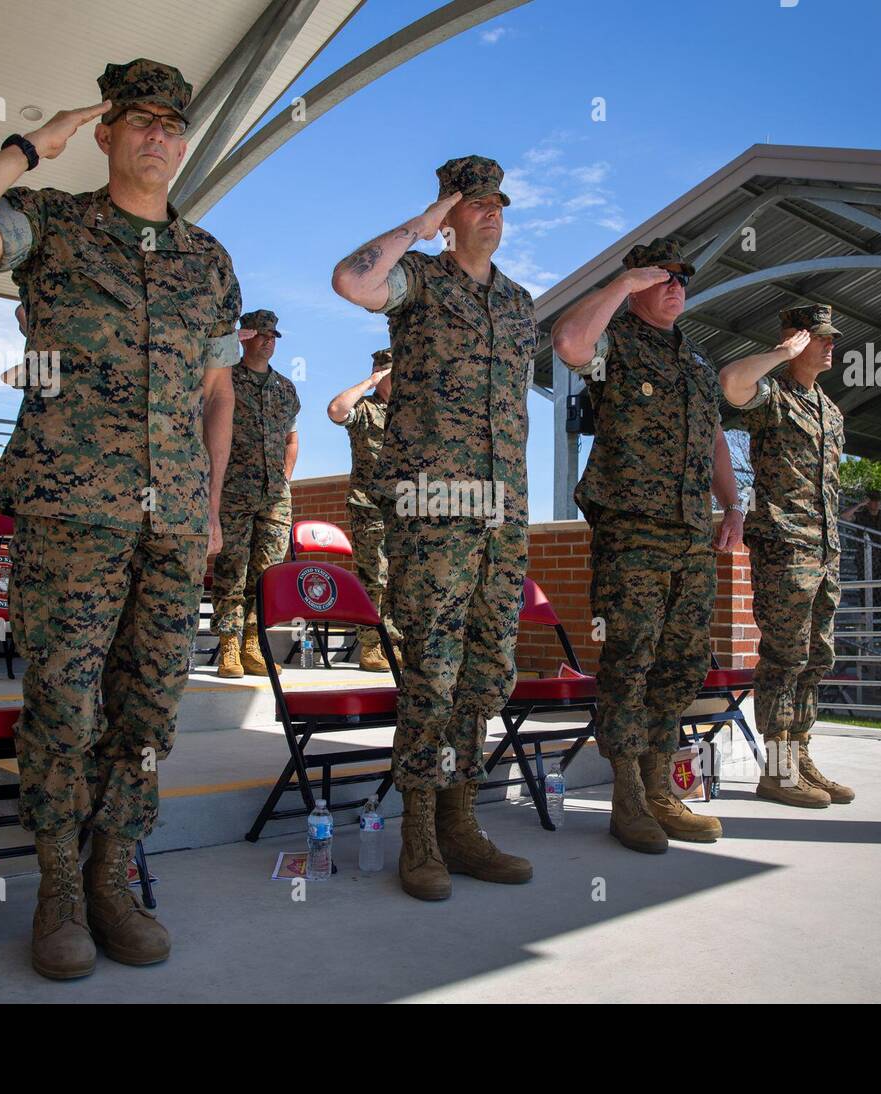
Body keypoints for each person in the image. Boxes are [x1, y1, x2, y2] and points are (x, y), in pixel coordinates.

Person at [0, 58, 238, 979]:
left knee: (147, 713)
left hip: (173, 518)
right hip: (69, 511)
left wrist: (210, 506)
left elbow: (217, 394)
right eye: (138, 121)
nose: (159, 139)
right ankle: (56, 889)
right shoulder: (52, 225)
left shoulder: (209, 260)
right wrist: (30, 144)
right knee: (63, 708)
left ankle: (109, 878)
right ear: (104, 132)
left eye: (174, 126)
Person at [332, 154, 534, 901]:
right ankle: (418, 829)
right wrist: (421, 223)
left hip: (501, 513)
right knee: (433, 672)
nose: (489, 214)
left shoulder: (518, 303)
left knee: (486, 673)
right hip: (433, 511)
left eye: (497, 204)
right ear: (449, 214)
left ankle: (460, 820)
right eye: (472, 202)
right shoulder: (419, 279)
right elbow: (353, 282)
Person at [550, 236, 756, 851]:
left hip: (693, 533)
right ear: (636, 284)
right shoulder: (616, 344)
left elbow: (717, 438)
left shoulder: (694, 363)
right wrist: (620, 285)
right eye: (659, 277)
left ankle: (660, 783)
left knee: (682, 664)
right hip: (633, 530)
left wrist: (733, 505)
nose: (674, 287)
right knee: (630, 660)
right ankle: (628, 798)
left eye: (681, 279)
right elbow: (568, 345)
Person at [719, 304, 854, 807]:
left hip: (825, 547)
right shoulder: (774, 396)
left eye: (831, 337)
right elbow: (731, 380)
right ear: (798, 340)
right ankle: (776, 771)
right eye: (820, 337)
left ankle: (799, 755)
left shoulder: (829, 409)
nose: (829, 345)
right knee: (784, 656)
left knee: (817, 655)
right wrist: (781, 353)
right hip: (784, 545)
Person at [210, 309, 299, 678]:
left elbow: (293, 438)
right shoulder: (224, 378)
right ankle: (228, 645)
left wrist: (285, 478)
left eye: (273, 336)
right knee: (232, 565)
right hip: (233, 489)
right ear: (246, 337)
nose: (268, 341)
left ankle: (253, 642)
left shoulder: (285, 388)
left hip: (273, 495)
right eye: (261, 334)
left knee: (268, 570)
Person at [326, 349, 401, 672]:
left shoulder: (410, 414)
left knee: (399, 580)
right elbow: (336, 410)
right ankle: (371, 646)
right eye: (391, 375)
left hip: (406, 509)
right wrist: (370, 382)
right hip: (369, 506)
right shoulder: (366, 410)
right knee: (376, 578)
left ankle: (394, 644)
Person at [842, 490, 881, 606]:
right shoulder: (861, 515)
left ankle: (879, 621)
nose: (877, 504)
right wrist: (860, 504)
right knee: (866, 592)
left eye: (878, 501)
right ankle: (866, 618)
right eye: (873, 501)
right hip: (865, 559)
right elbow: (844, 516)